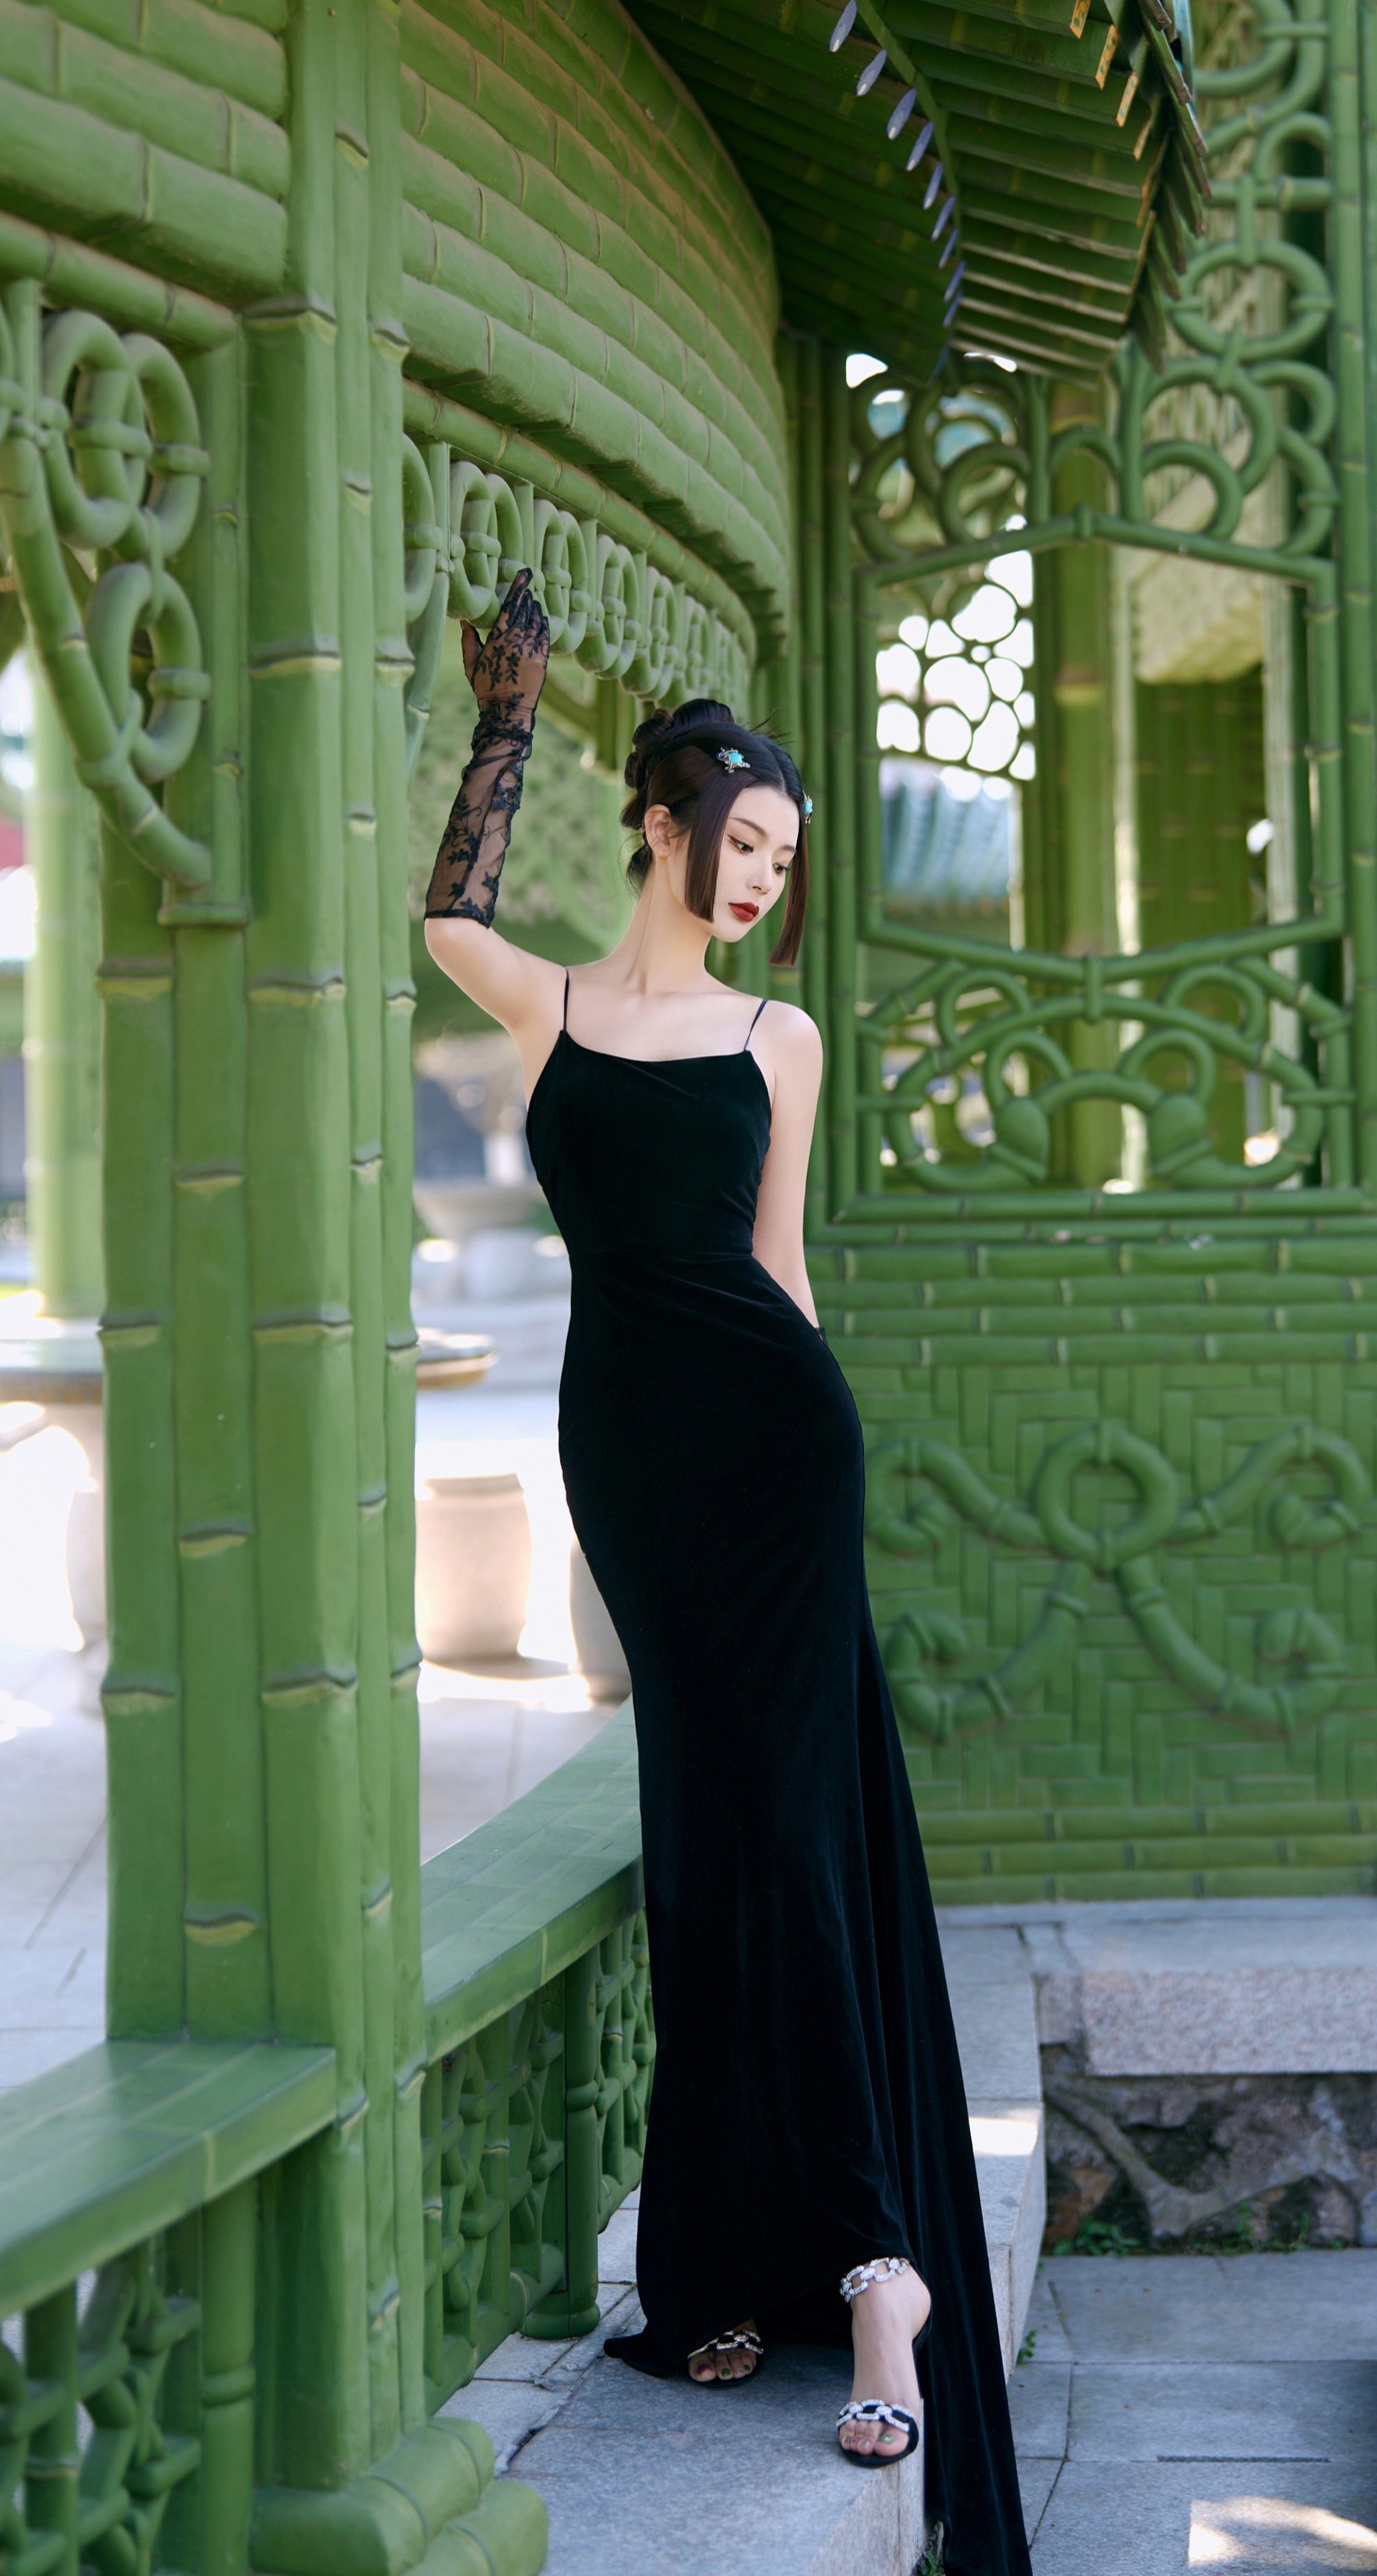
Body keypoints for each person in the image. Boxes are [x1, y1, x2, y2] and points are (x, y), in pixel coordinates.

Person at [422, 571, 1032, 2576]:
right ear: (663, 826)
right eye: (742, 841)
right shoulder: (555, 1009)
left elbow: (779, 1266)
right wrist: (503, 720)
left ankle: (878, 2271)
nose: (762, 878)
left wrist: (827, 1486)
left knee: (787, 1832)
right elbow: (443, 921)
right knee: (702, 1840)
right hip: (632, 1460)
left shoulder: (781, 1035)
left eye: (782, 856)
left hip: (773, 1451)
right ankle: (721, 2268)